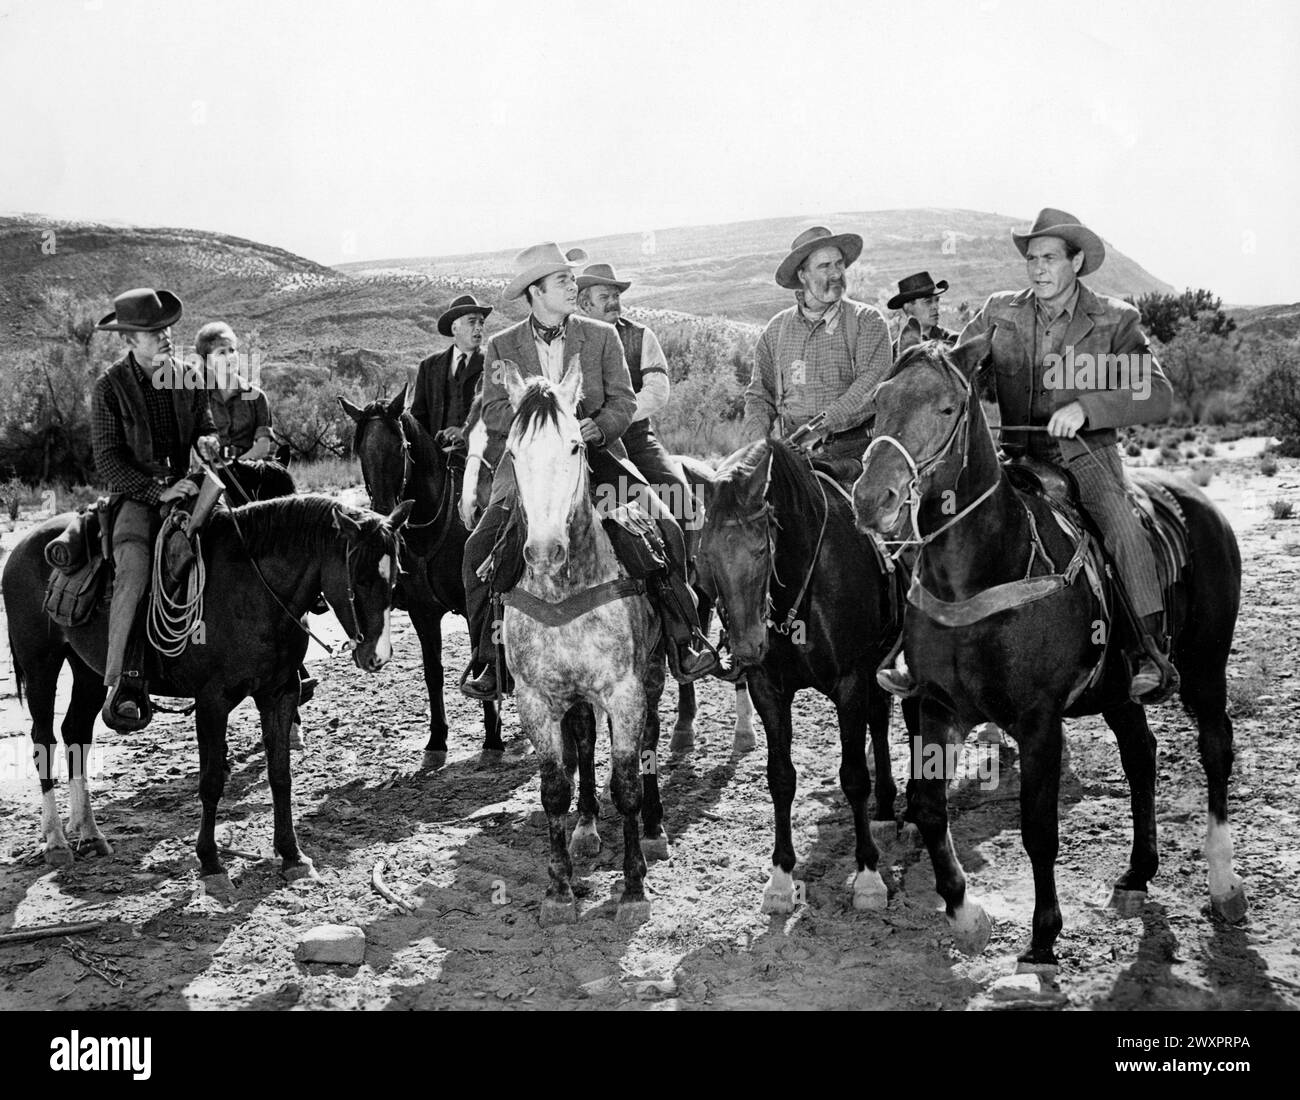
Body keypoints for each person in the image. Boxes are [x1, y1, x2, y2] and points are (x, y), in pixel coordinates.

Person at [879, 208, 1179, 704]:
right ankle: (917, 649)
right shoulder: (1001, 312)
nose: (1038, 269)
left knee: (1122, 529)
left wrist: (1089, 408)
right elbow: (956, 365)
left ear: (1076, 262)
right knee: (935, 522)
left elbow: (1158, 392)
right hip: (1013, 458)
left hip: (1086, 458)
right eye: (1032, 259)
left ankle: (1147, 650)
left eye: (1049, 258)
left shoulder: (1114, 319)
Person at [459, 242, 717, 700]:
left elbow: (624, 401)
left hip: (598, 461)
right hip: (531, 472)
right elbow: (493, 411)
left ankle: (685, 638)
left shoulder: (601, 336)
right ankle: (488, 658)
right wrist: (543, 420)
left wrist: (599, 427)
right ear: (536, 291)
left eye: (571, 278)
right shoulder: (502, 345)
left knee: (668, 526)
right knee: (477, 551)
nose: (571, 285)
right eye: (562, 279)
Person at [91, 288, 221, 730]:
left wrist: (208, 440)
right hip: (136, 498)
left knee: (243, 536)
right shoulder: (109, 387)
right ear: (129, 339)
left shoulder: (188, 376)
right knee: (134, 568)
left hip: (189, 486)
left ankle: (280, 658)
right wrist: (154, 492)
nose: (165, 337)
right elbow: (108, 460)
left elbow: (204, 426)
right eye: (153, 332)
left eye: (166, 329)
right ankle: (125, 681)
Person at [743, 226, 893, 477]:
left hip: (854, 454)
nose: (836, 273)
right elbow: (759, 395)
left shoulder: (867, 320)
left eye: (839, 264)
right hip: (791, 453)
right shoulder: (776, 329)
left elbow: (870, 385)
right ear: (802, 275)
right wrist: (759, 447)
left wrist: (819, 428)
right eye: (824, 266)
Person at [575, 262, 694, 526]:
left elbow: (657, 391)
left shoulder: (640, 336)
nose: (613, 302)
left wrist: (611, 419)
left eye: (615, 296)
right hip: (587, 446)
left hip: (635, 440)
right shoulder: (572, 340)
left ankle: (685, 553)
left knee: (679, 497)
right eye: (604, 297)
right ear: (584, 304)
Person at [411, 293, 492, 449]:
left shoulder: (494, 362)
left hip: (480, 454)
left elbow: (499, 412)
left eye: (481, 322)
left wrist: (466, 433)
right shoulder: (429, 366)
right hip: (437, 456)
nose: (479, 327)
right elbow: (418, 418)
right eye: (472, 322)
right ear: (455, 328)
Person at [195, 322, 275, 462]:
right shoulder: (199, 397)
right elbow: (194, 440)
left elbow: (263, 445)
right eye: (221, 353)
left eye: (232, 350)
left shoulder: (256, 397)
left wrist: (239, 465)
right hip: (210, 468)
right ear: (207, 362)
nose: (230, 357)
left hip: (248, 467)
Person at [889, 271, 957, 358]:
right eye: (928, 301)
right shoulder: (893, 353)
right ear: (908, 307)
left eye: (937, 300)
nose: (935, 306)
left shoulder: (954, 342)